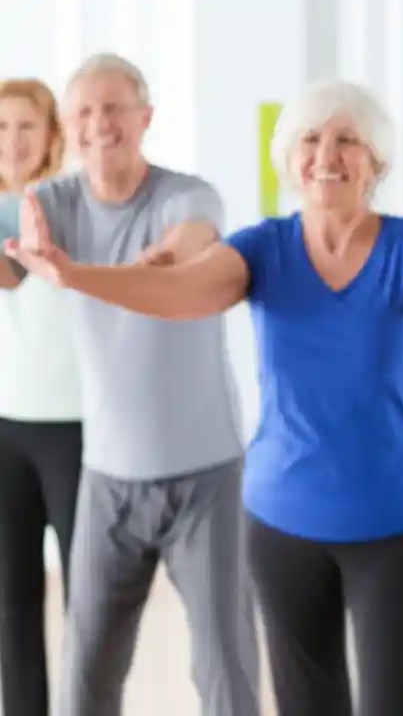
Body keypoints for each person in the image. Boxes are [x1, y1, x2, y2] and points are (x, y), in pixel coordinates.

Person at [5, 78, 403, 716]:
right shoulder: (263, 247)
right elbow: (183, 291)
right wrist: (74, 275)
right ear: (289, 160)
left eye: (347, 139)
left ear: (374, 161)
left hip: (399, 528)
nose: (327, 154)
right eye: (311, 139)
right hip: (283, 529)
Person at [0, 54, 260, 715]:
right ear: (69, 125)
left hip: (205, 476)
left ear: (145, 117)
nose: (100, 124)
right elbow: (14, 259)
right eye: (84, 112)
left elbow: (190, 242)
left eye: (115, 108)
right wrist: (26, 259)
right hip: (110, 477)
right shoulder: (50, 204)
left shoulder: (185, 194)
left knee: (224, 663)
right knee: (87, 673)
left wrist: (153, 260)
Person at [0, 77, 81, 716]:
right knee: (11, 600)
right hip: (5, 425)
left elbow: (16, 267)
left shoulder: (69, 204)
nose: (13, 140)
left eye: (26, 125)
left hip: (74, 424)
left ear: (52, 135)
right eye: (1, 127)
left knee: (88, 595)